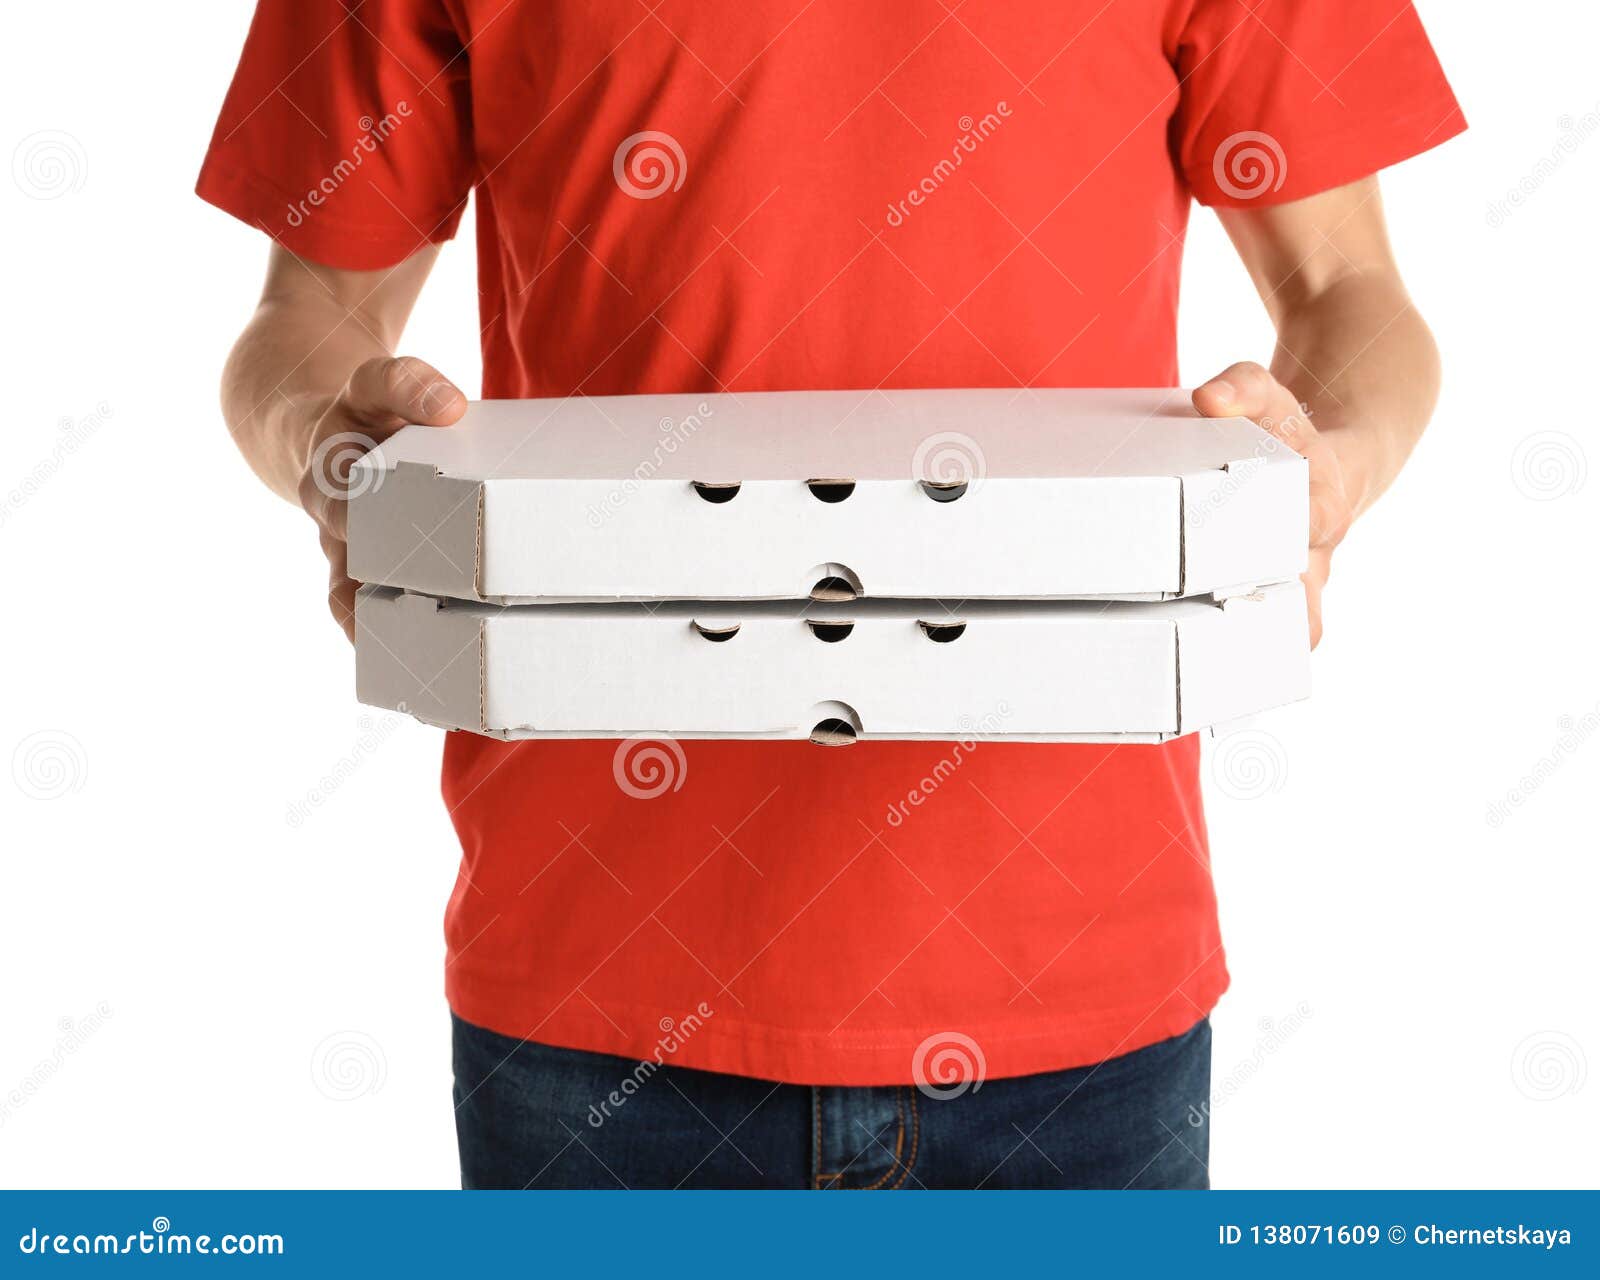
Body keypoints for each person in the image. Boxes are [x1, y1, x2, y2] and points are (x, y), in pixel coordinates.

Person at [201, 0, 1463, 1189]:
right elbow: (311, 308)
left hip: (1079, 985)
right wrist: (330, 453)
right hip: (596, 999)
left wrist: (1330, 465)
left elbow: (1349, 294)